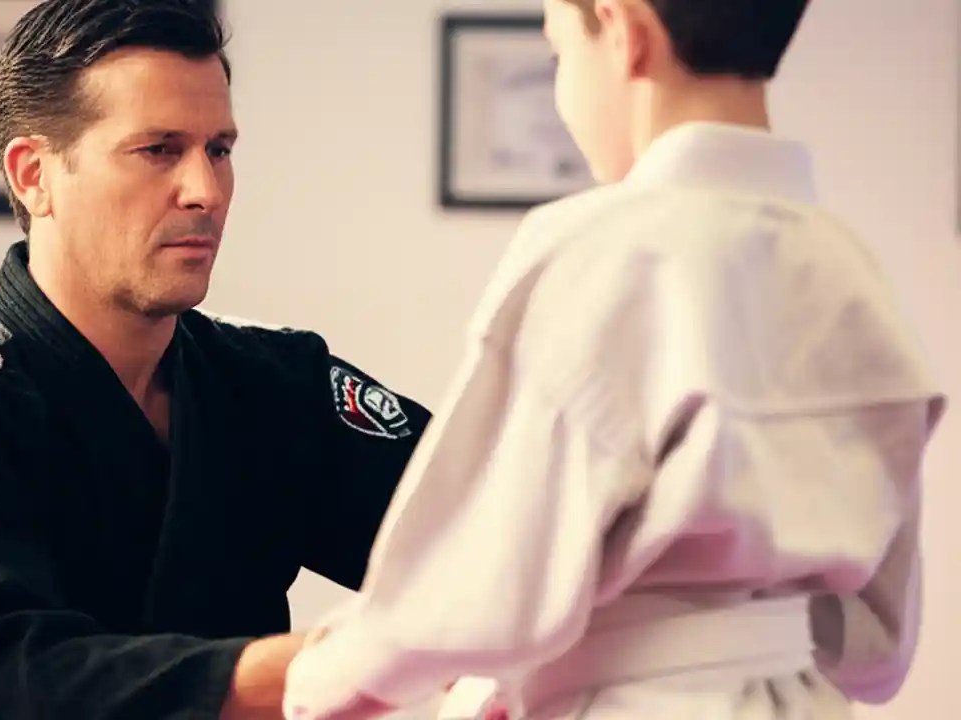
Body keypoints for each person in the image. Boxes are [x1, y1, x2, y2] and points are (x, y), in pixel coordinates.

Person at [282, 0, 946, 718]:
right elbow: (881, 645)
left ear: (623, 32)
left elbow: (482, 578)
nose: (563, 88)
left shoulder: (603, 253)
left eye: (558, 54)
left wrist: (317, 682)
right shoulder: (852, 271)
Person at [0, 1, 430, 718]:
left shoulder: (274, 387)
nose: (207, 191)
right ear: (34, 174)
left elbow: (488, 522)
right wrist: (319, 666)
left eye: (219, 149)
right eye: (159, 149)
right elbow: (5, 688)